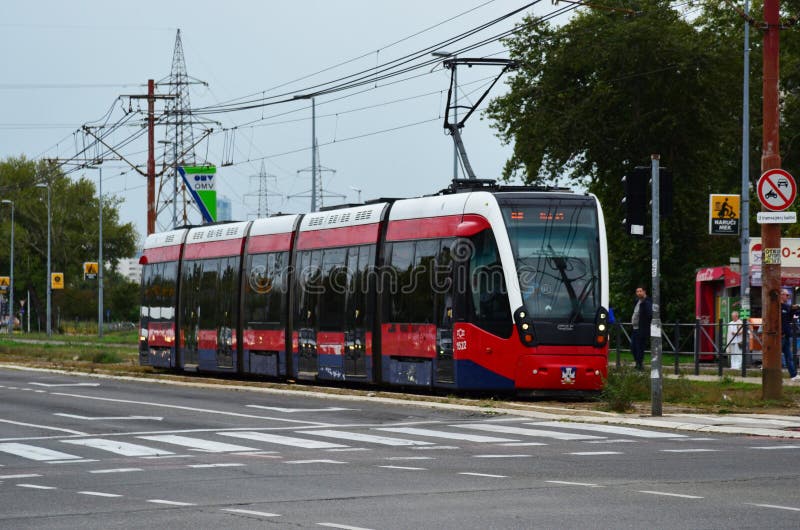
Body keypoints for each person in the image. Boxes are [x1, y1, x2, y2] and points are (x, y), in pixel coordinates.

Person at [779, 290, 800, 381]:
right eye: (787, 295)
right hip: (779, 335)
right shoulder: (777, 306)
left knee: (789, 356)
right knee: (776, 356)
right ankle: (774, 376)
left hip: (786, 336)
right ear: (781, 295)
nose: (788, 297)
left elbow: (794, 313)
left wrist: (797, 307)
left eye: (788, 295)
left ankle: (793, 375)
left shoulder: (787, 307)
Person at [630, 286, 652, 370]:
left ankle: (639, 364)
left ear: (644, 292)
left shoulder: (647, 302)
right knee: (633, 347)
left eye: (640, 291)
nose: (638, 293)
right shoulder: (637, 301)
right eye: (637, 291)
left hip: (642, 328)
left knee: (639, 347)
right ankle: (637, 362)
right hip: (635, 328)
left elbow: (649, 314)